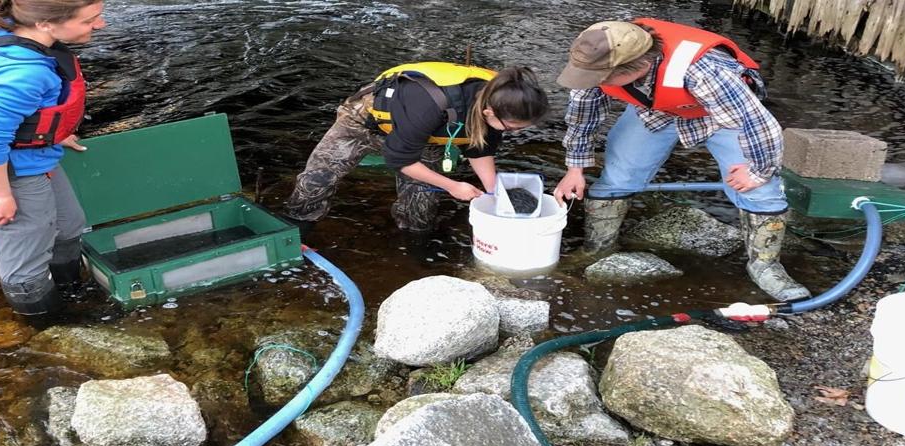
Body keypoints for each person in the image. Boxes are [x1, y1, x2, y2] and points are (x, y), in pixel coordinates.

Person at [554, 18, 809, 301]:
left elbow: (759, 125)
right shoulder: (595, 59)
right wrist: (574, 168)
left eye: (603, 79)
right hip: (655, 108)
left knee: (759, 190)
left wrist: (759, 171)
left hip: (720, 115)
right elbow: (582, 114)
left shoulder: (704, 70)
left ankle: (766, 267)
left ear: (639, 66)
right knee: (619, 174)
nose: (593, 83)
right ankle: (598, 247)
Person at [0, 0, 106, 316]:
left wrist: (54, 132)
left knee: (69, 227)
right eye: (90, 20)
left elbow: (21, 116)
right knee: (26, 264)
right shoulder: (22, 72)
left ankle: (72, 293)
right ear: (44, 23)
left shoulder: (18, 29)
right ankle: (49, 327)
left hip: (33, 156)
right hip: (6, 172)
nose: (100, 25)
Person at [285, 63, 550, 233]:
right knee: (318, 179)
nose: (516, 132)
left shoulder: (502, 107)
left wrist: (494, 192)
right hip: (366, 122)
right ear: (488, 111)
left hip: (430, 136)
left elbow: (480, 150)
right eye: (513, 128)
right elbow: (399, 158)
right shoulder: (429, 104)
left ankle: (414, 249)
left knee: (421, 207)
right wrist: (452, 186)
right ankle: (298, 227)